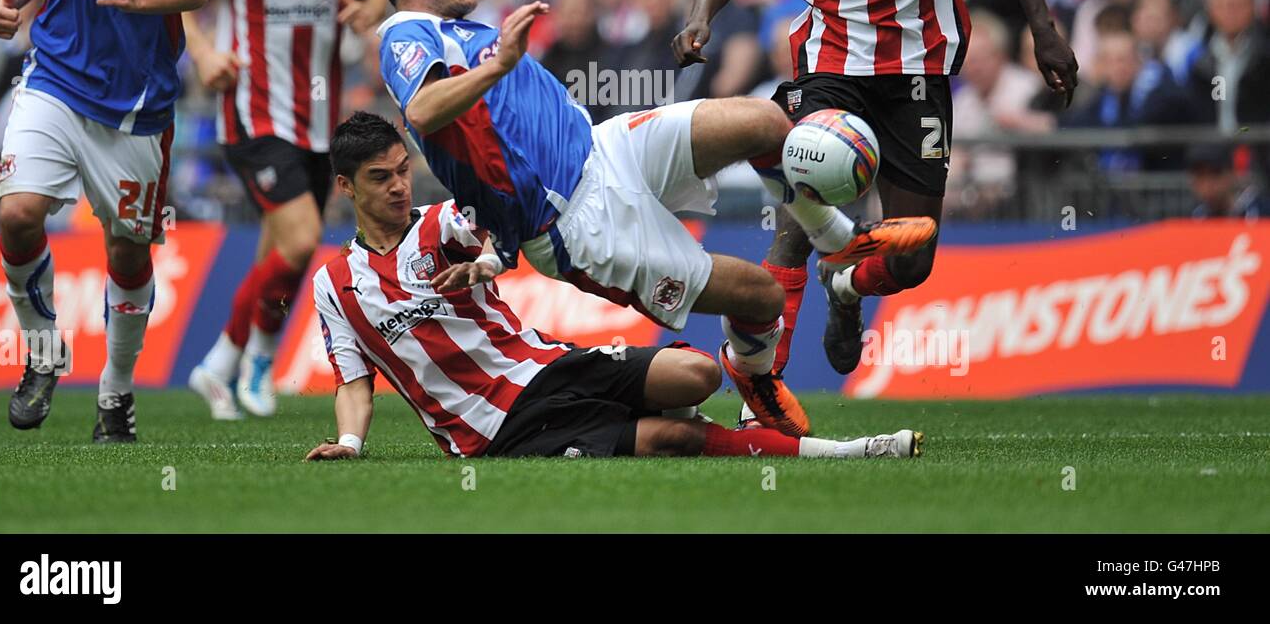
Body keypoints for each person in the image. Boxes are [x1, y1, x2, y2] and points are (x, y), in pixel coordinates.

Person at [371, 0, 935, 438]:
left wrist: (497, 240)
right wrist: (502, 64)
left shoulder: (463, 30)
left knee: (765, 120)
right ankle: (754, 375)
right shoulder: (405, 34)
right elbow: (422, 110)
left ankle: (837, 239)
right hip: (580, 225)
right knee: (761, 298)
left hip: (602, 148)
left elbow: (491, 149)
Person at [672, 0, 1078, 423]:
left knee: (913, 251)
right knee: (801, 215)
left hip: (918, 69)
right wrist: (697, 19)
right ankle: (760, 392)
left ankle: (848, 286)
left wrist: (1043, 26)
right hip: (831, 63)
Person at [305, 111, 923, 462]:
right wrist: (352, 443)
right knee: (674, 437)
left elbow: (494, 231)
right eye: (379, 177)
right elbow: (354, 382)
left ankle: (709, 421)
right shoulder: (336, 286)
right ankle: (850, 452)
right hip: (494, 432)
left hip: (547, 367)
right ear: (345, 187)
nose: (397, 186)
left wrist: (491, 258)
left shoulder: (441, 224)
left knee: (697, 374)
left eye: (403, 170)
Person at [0, 0, 214, 442]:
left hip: (134, 106)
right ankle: (44, 351)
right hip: (53, 79)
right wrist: (11, 1)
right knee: (20, 214)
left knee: (127, 249)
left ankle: (116, 394)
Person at [183, 0, 385, 420]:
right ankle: (232, 363)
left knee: (279, 255)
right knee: (300, 242)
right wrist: (204, 54)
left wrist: (364, 9)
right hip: (252, 114)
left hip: (321, 122)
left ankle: (235, 369)